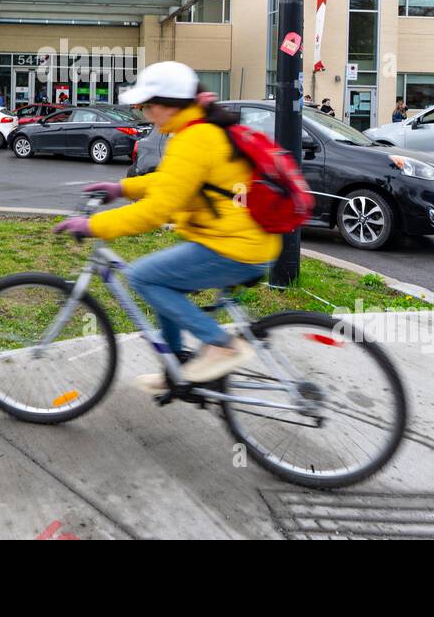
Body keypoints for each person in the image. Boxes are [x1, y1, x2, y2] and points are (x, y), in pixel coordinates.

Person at [53, 61, 281, 392]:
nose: (144, 111)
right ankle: (177, 366)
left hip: (236, 247)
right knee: (166, 282)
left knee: (143, 276)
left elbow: (156, 211)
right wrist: (122, 188)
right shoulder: (199, 130)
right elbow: (174, 182)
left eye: (147, 104)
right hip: (237, 240)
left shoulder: (194, 138)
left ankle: (221, 345)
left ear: (167, 105)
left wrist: (93, 225)